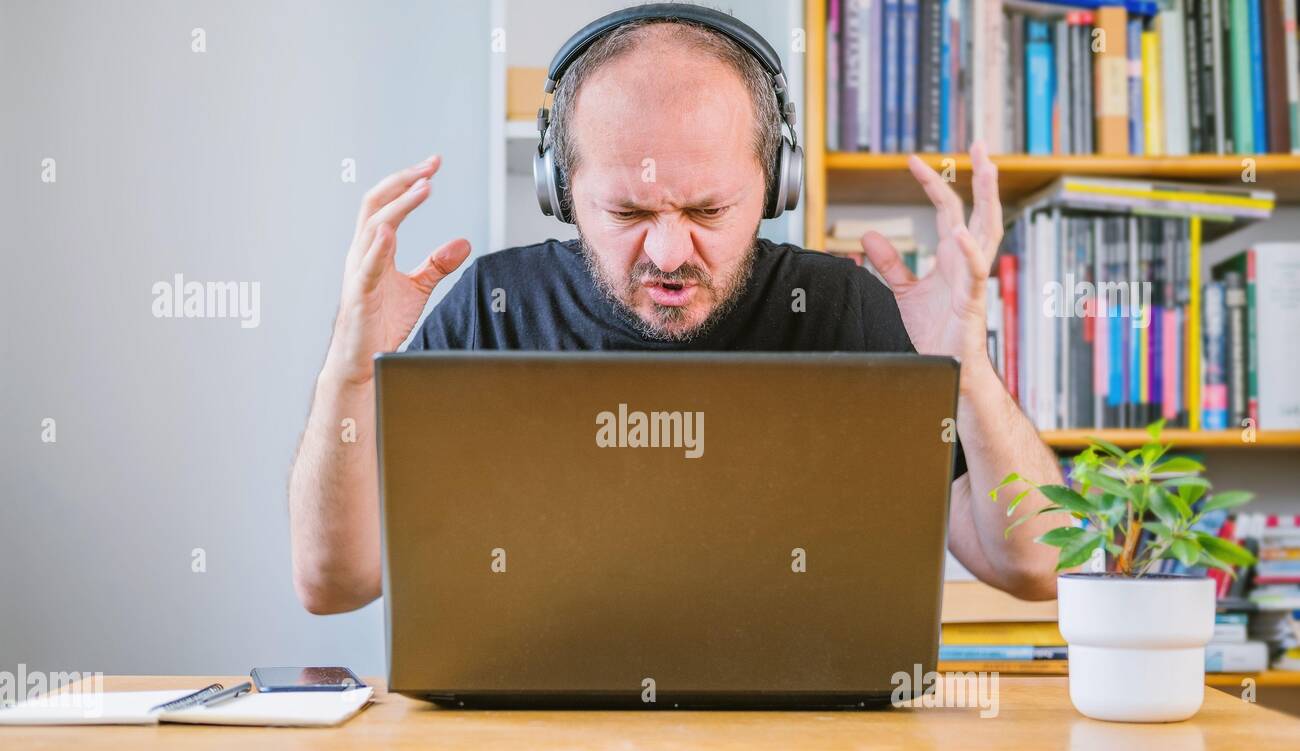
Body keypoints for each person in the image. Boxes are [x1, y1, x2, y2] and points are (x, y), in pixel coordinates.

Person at [289, 17, 1068, 615]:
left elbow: (1035, 569)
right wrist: (349, 372)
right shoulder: (492, 310)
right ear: (559, 191)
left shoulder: (846, 312)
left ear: (776, 184)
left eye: (707, 208)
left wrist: (967, 371)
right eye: (627, 210)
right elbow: (335, 583)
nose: (667, 252)